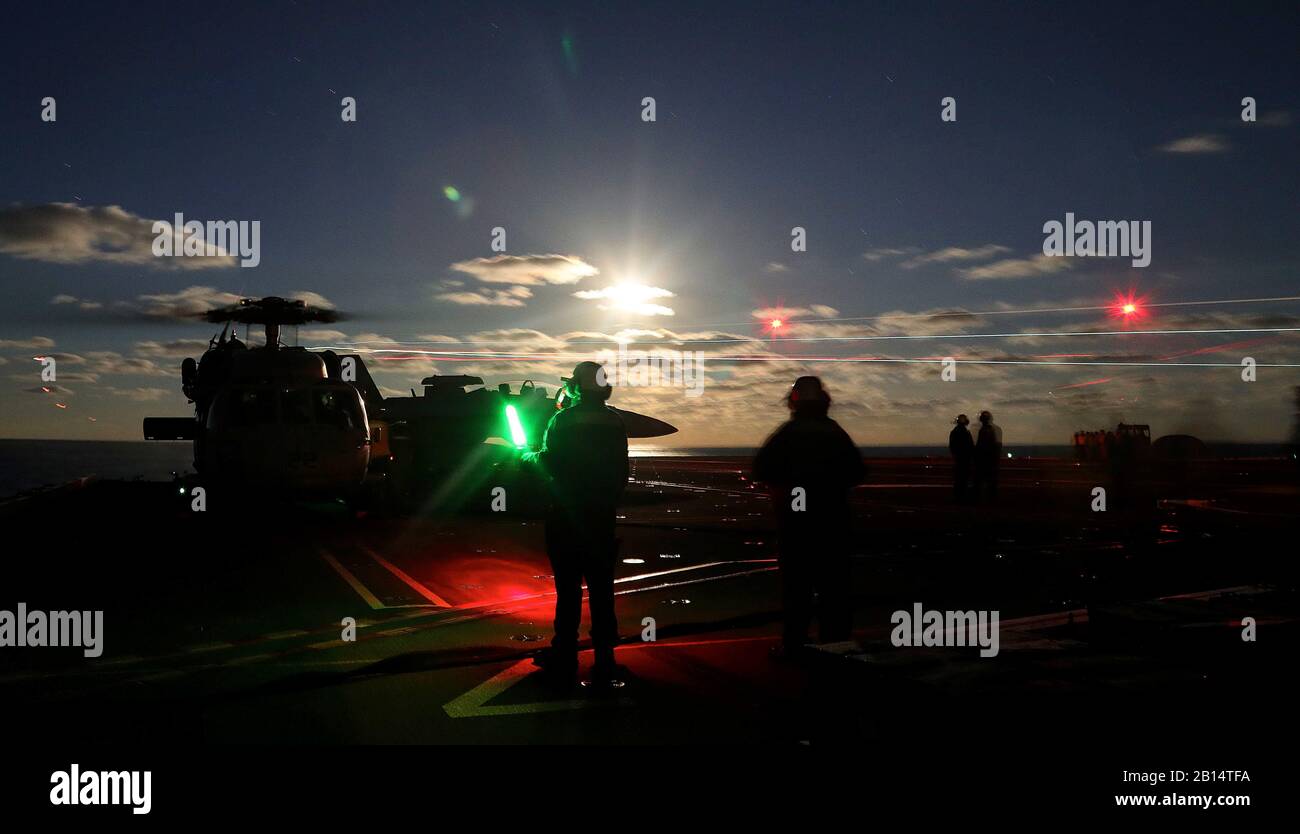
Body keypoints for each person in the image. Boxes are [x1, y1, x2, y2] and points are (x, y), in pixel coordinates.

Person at [523, 361, 629, 688]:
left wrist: (527, 456)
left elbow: (548, 462)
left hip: (567, 517)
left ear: (576, 385)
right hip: (601, 518)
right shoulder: (615, 421)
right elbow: (622, 473)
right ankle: (605, 658)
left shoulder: (563, 420)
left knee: (568, 590)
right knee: (602, 589)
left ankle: (565, 654)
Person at [752, 377, 865, 659]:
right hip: (833, 522)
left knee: (796, 587)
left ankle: (794, 645)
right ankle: (835, 644)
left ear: (794, 400)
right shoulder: (835, 432)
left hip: (795, 524)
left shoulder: (789, 433)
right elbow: (856, 471)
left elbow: (762, 469)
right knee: (835, 588)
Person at [972, 410, 1003, 501]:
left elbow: (979, 445)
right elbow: (996, 445)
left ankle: (979, 497)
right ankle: (991, 497)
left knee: (979, 480)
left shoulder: (981, 430)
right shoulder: (993, 430)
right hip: (990, 459)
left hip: (982, 459)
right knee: (990, 481)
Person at [948, 414, 974, 502]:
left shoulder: (954, 432)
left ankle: (958, 496)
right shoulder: (966, 433)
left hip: (959, 459)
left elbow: (952, 447)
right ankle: (963, 496)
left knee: (958, 479)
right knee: (964, 479)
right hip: (965, 459)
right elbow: (971, 446)